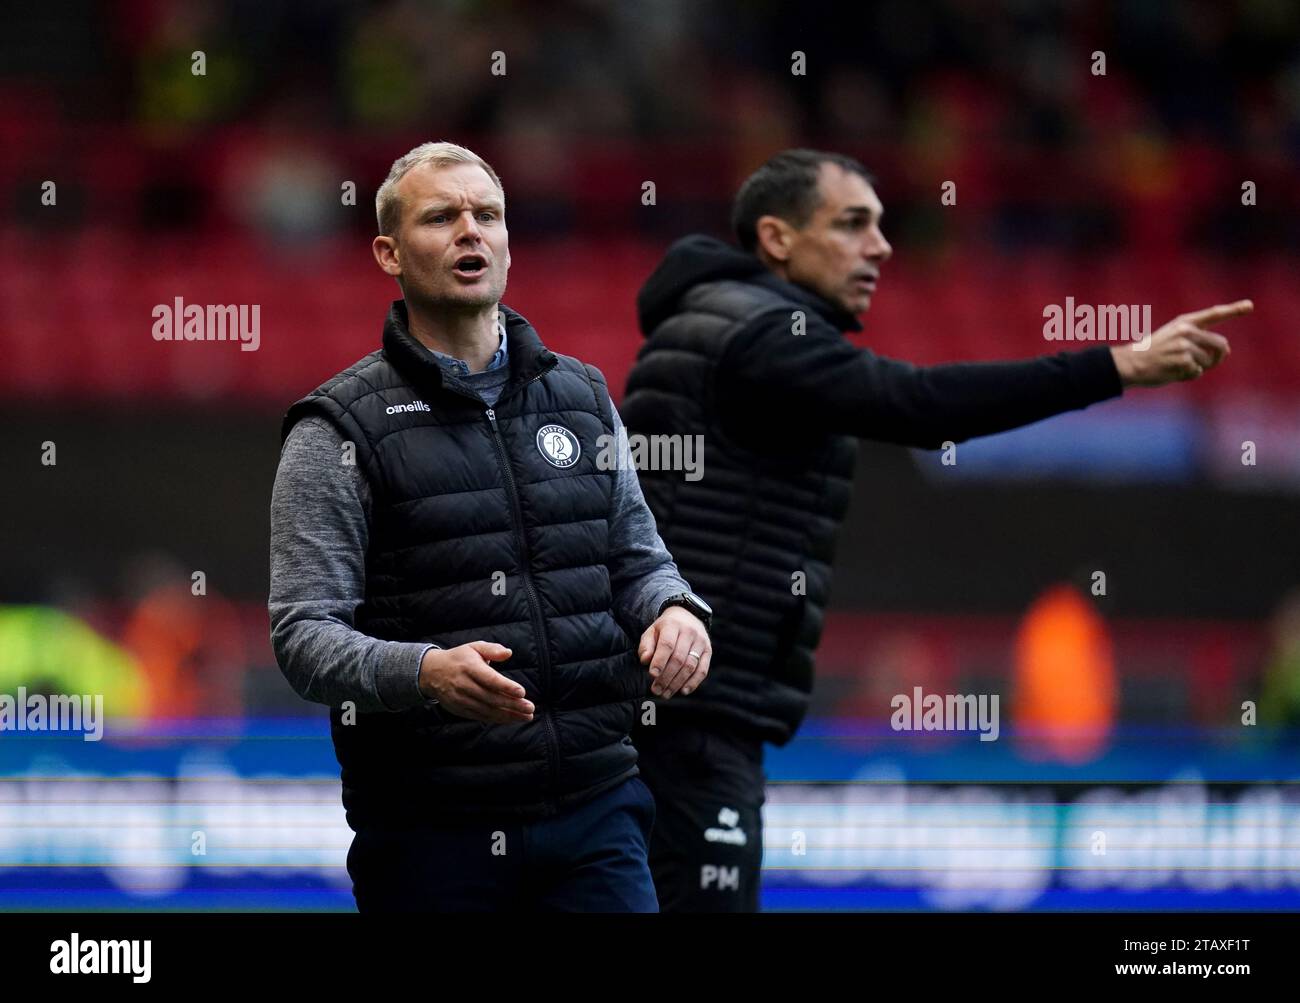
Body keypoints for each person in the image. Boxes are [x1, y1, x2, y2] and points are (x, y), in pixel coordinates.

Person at [620, 147, 1251, 912]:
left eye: (882, 226)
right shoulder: (762, 336)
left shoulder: (720, 322)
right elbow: (919, 403)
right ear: (777, 237)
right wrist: (1117, 365)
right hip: (695, 717)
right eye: (853, 224)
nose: (881, 246)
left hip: (681, 705)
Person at [269, 141, 712, 912]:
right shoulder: (337, 428)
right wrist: (423, 672)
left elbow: (640, 561)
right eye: (441, 217)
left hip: (598, 808)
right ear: (389, 252)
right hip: (431, 833)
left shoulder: (580, 393)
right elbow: (304, 634)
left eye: (489, 214)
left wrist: (676, 611)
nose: (471, 230)